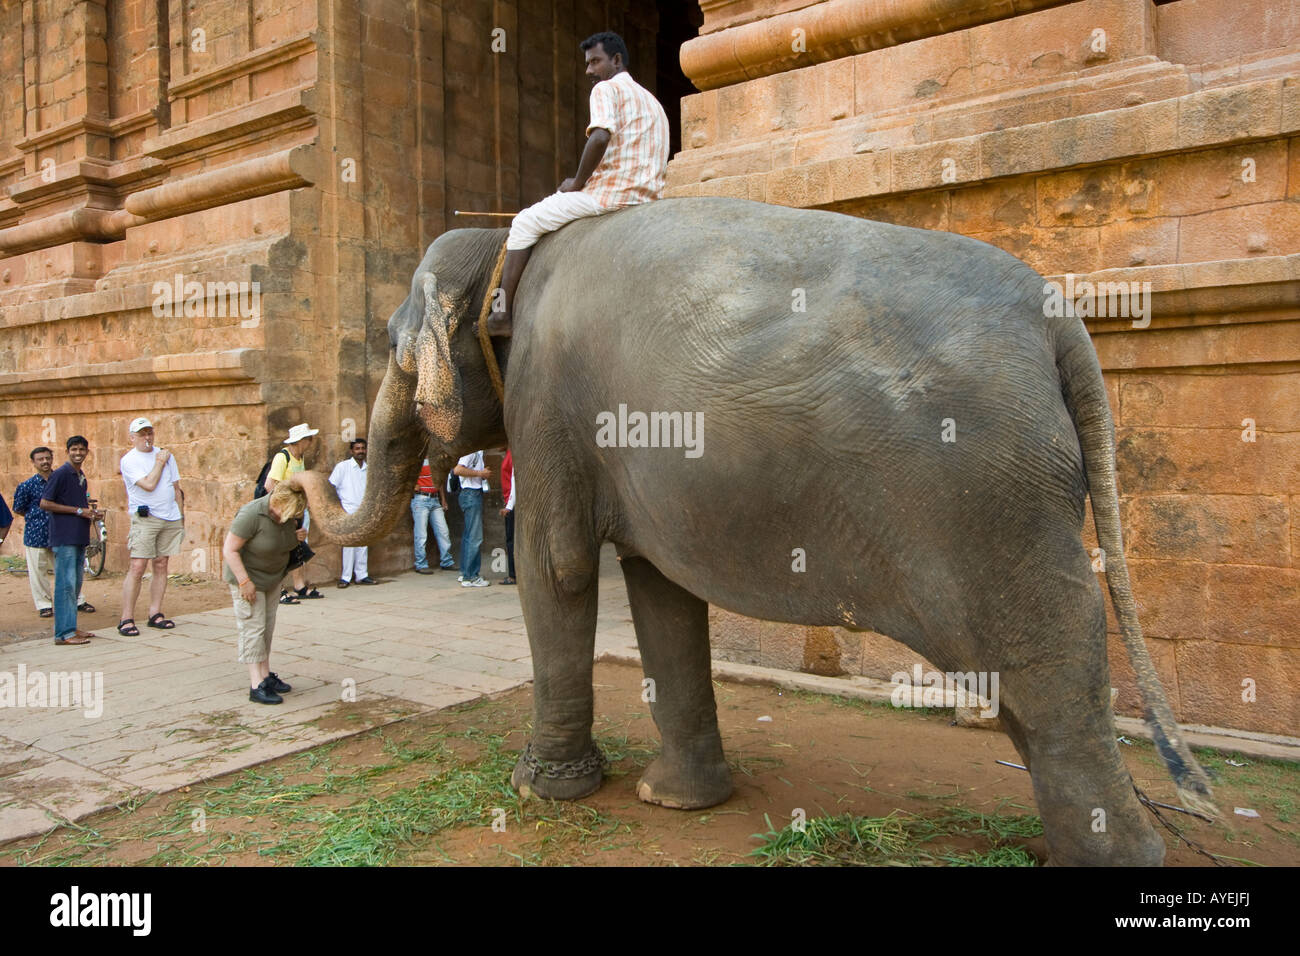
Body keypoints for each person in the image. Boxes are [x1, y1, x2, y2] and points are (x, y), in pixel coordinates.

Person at [486, 31, 669, 337]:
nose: (588, 71)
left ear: (616, 60)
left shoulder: (606, 89)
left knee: (523, 223)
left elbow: (599, 137)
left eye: (595, 62)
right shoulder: (653, 102)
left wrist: (577, 182)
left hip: (610, 195)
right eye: (587, 63)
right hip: (648, 198)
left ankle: (501, 315)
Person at [222, 482, 308, 704]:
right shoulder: (251, 514)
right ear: (278, 501)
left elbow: (282, 542)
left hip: (272, 579)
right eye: (287, 513)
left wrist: (297, 537)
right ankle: (256, 684)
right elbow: (229, 550)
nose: (287, 518)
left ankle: (266, 674)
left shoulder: (287, 517)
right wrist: (244, 581)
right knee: (253, 627)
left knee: (267, 628)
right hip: (248, 579)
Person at [118, 417, 185, 635]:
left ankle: (155, 612)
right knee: (138, 566)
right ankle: (126, 617)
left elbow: (176, 487)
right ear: (132, 438)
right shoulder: (130, 460)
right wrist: (159, 463)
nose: (147, 437)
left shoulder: (166, 455)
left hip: (169, 516)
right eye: (142, 434)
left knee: (161, 563)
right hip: (146, 518)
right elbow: (148, 484)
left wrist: (181, 515)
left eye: (150, 433)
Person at [39, 436, 103, 645]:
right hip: (64, 537)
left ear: (87, 452)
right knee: (65, 585)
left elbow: (77, 505)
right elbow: (45, 503)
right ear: (67, 451)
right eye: (74, 449)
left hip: (77, 536)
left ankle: (70, 627)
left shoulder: (79, 475)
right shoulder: (60, 474)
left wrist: (89, 513)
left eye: (82, 449)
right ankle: (64, 634)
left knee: (74, 585)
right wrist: (78, 511)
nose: (78, 453)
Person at [12, 447, 89, 618]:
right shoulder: (27, 486)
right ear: (33, 462)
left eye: (47, 458)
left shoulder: (63, 479)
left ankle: (77, 600)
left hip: (61, 532)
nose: (45, 462)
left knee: (67, 569)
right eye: (40, 459)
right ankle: (44, 604)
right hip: (36, 533)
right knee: (38, 572)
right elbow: (18, 508)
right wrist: (36, 518)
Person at [262, 423, 323, 603]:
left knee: (298, 548)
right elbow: (269, 485)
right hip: (285, 512)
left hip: (297, 512)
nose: (311, 441)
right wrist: (281, 508)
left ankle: (299, 585)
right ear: (300, 441)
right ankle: (278, 590)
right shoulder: (283, 457)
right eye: (308, 438)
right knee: (281, 550)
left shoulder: (299, 458)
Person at [328, 438, 375, 587]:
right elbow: (331, 486)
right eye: (357, 448)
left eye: (363, 448)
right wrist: (337, 508)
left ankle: (362, 575)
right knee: (349, 545)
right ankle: (346, 577)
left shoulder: (369, 469)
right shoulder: (343, 467)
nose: (360, 451)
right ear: (352, 451)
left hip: (364, 510)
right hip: (347, 510)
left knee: (363, 544)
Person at [453, 450, 491, 588]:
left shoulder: (476, 452)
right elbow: (458, 470)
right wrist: (480, 473)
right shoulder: (471, 452)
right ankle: (471, 576)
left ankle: (465, 572)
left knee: (468, 536)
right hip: (471, 494)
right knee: (475, 537)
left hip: (470, 494)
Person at [412, 456, 456, 574]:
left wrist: (443, 499)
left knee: (443, 531)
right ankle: (420, 564)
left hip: (435, 499)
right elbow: (405, 477)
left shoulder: (434, 460)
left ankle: (446, 561)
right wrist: (412, 486)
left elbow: (439, 481)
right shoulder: (416, 460)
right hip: (421, 499)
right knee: (421, 534)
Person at [498, 449, 516, 585]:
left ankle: (513, 574)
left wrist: (509, 506)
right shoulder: (509, 453)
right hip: (509, 501)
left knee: (511, 540)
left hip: (512, 503)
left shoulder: (512, 453)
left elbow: (514, 480)